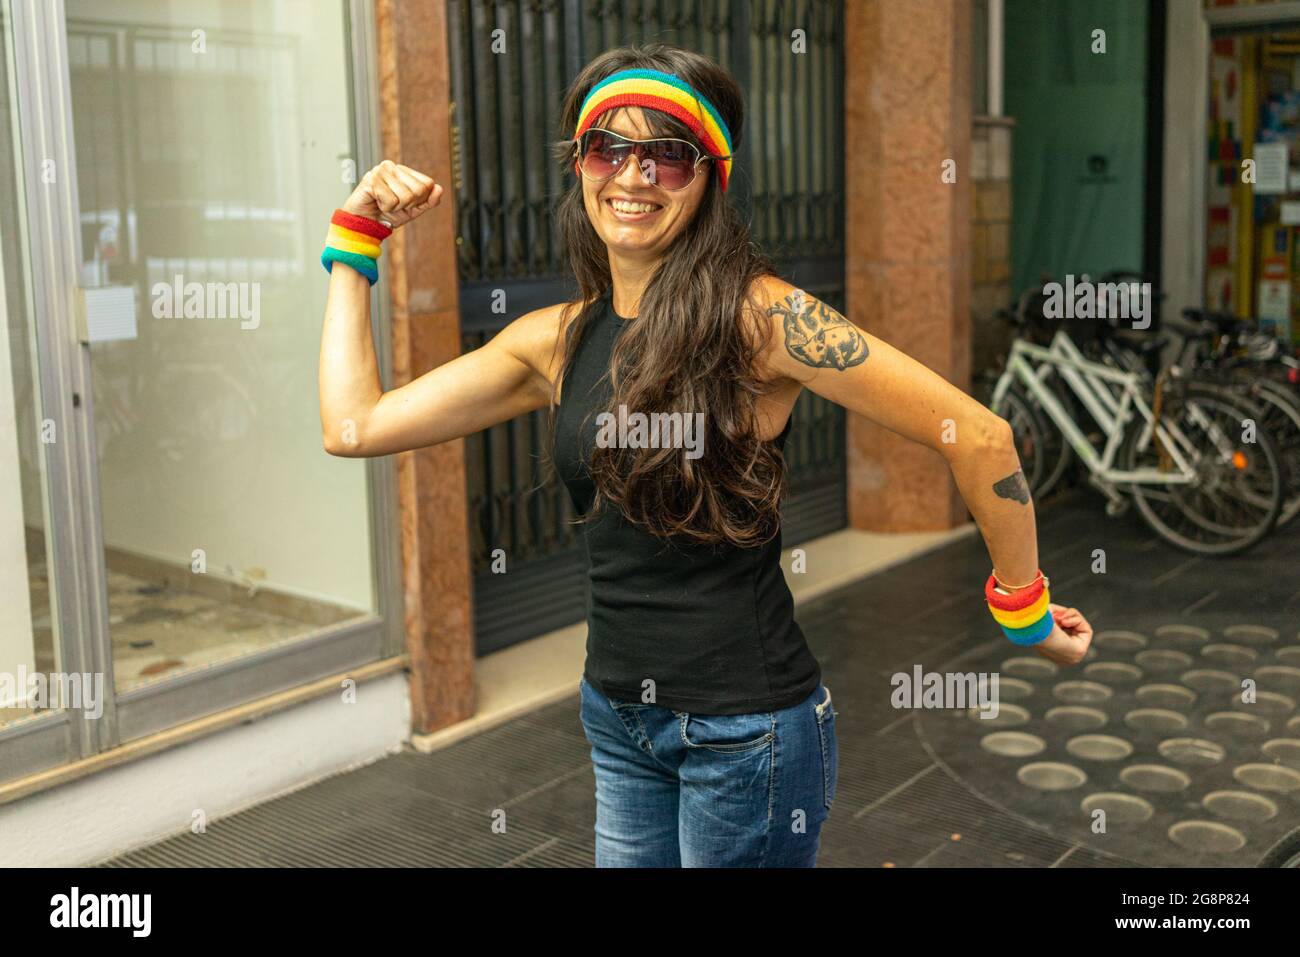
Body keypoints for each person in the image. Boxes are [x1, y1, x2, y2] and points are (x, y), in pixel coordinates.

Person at [317, 43, 1094, 867]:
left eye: (669, 154)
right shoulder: (556, 339)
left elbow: (978, 435)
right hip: (616, 715)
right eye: (608, 147)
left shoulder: (762, 320)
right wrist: (356, 241)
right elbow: (354, 425)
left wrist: (1025, 610)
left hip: (743, 729)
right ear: (581, 165)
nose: (634, 175)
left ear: (709, 175)